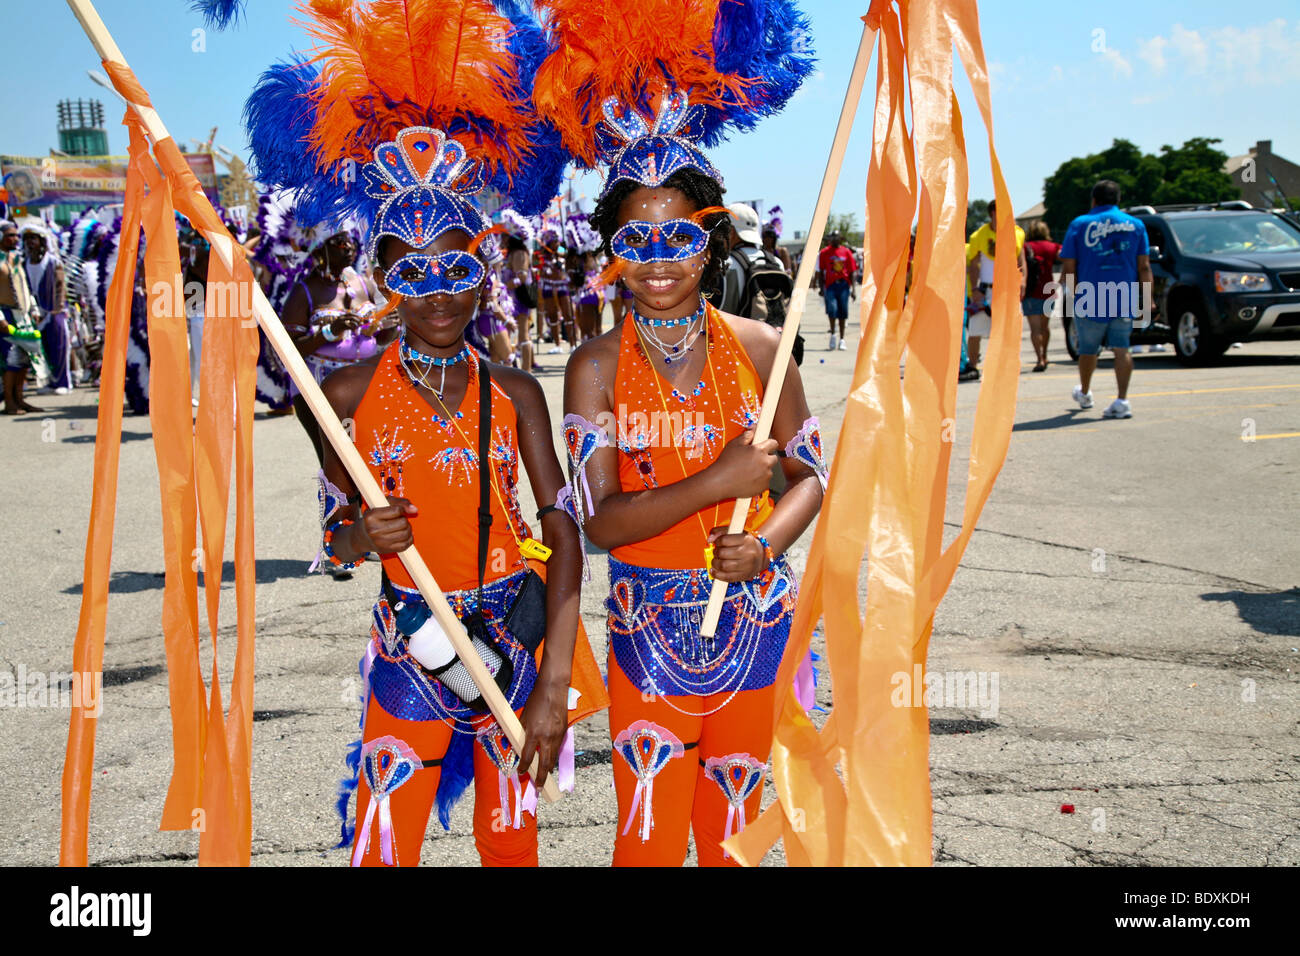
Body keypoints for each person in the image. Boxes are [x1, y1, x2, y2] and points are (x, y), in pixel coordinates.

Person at [245, 0, 607, 868]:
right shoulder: (339, 391)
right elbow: (332, 540)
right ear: (383, 280)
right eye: (414, 270)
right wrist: (358, 533)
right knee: (384, 843)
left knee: (511, 841)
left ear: (484, 273)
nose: (440, 290)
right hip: (409, 640)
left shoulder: (516, 389)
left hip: (514, 644)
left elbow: (563, 536)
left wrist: (554, 684)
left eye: (457, 267)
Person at [535, 0, 819, 866]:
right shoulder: (592, 367)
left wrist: (764, 543)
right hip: (646, 634)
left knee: (733, 839)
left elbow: (810, 476)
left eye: (678, 237)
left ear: (711, 239)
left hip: (756, 624)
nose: (658, 261)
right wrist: (716, 485)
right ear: (612, 250)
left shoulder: (766, 347)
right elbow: (603, 522)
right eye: (635, 240)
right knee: (648, 839)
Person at [279, 228, 392, 468]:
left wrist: (389, 325)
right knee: (336, 464)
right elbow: (288, 349)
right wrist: (330, 332)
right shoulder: (305, 291)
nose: (349, 247)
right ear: (320, 249)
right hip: (320, 388)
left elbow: (382, 338)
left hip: (365, 385)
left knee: (371, 461)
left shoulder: (364, 284)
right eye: (339, 242)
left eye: (350, 241)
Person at [1059, 179, 1153, 420]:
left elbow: (1069, 266)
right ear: (1118, 200)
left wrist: (1073, 294)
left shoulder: (1080, 224)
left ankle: (1086, 392)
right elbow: (1144, 266)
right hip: (1124, 294)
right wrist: (1147, 297)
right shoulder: (1136, 225)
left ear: (1094, 200)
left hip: (1090, 295)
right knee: (1122, 348)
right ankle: (1122, 401)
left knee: (1088, 349)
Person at [964, 198, 1026, 378]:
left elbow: (1021, 260)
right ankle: (973, 366)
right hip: (985, 290)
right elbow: (974, 265)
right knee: (976, 330)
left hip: (1007, 290)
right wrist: (975, 290)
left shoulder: (1017, 233)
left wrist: (1022, 281)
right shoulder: (979, 236)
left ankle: (1007, 365)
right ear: (993, 213)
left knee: (1008, 330)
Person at [20, 223, 71, 394]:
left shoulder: (53, 261)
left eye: (33, 239)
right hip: (35, 314)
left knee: (59, 347)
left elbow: (60, 287)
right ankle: (51, 382)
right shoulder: (25, 263)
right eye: (27, 240)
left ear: (41, 241)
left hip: (53, 312)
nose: (30, 243)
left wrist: (56, 310)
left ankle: (63, 382)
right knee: (43, 350)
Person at [1, 219, 46, 414]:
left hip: (23, 315)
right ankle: (9, 402)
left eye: (16, 235)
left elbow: (25, 286)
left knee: (25, 359)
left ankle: (20, 399)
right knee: (11, 360)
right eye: (10, 235)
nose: (15, 239)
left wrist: (34, 309)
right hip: (6, 315)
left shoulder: (17, 258)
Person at [1022, 220, 1060, 372]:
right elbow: (1066, 256)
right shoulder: (1052, 247)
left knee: (1035, 329)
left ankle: (1039, 359)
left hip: (1030, 291)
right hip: (1048, 290)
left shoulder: (1026, 247)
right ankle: (1045, 354)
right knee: (1045, 327)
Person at [817, 230, 857, 350]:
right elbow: (820, 271)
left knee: (843, 313)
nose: (834, 239)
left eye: (836, 237)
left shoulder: (846, 252)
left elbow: (852, 271)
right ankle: (833, 334)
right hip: (831, 286)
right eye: (832, 237)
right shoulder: (824, 253)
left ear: (840, 238)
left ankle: (842, 339)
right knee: (832, 310)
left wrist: (854, 289)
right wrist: (821, 287)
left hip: (843, 285)